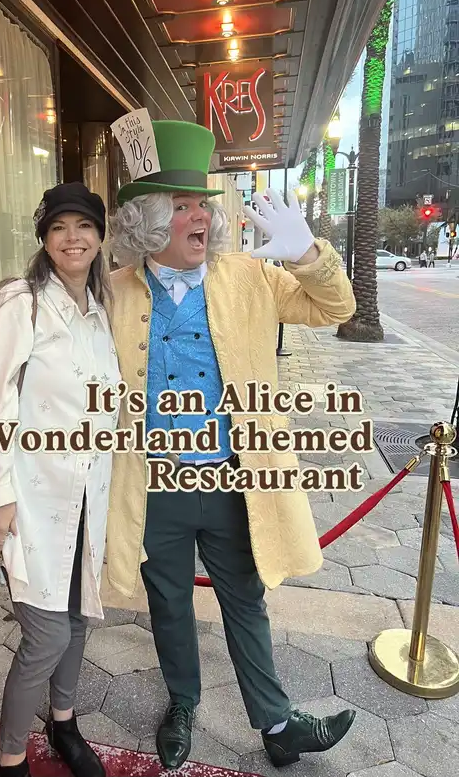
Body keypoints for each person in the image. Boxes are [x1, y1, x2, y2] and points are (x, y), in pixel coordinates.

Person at [106, 119, 357, 770]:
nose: (201, 217)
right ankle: (182, 703)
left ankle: (277, 723)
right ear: (148, 222)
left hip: (229, 480)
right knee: (168, 604)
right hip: (155, 485)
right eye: (181, 206)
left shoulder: (249, 276)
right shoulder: (115, 290)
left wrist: (309, 253)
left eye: (203, 205)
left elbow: (335, 309)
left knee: (245, 601)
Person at [0, 183, 120, 777]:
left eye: (84, 226)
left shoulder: (98, 312)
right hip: (29, 501)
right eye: (59, 227)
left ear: (100, 236)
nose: (72, 238)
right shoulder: (20, 304)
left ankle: (64, 723)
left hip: (84, 500)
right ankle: (10, 759)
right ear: (44, 239)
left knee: (77, 617)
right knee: (47, 635)